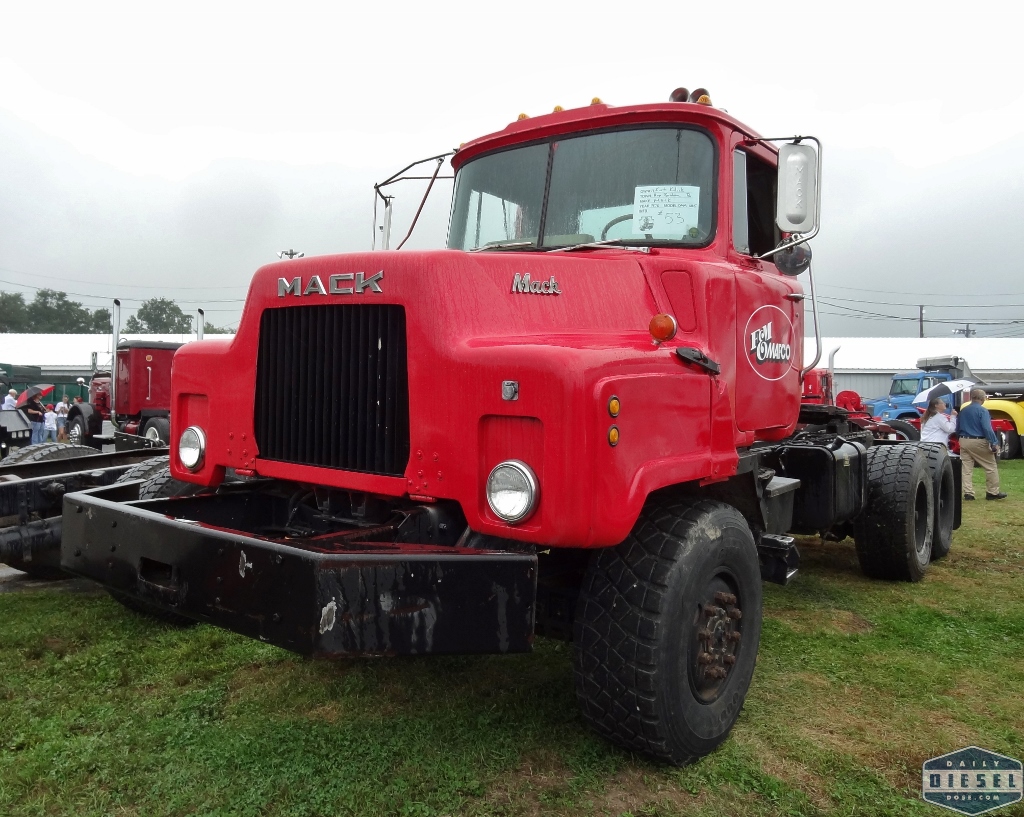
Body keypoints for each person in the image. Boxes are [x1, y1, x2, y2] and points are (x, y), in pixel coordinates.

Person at [957, 388, 1006, 500]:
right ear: (982, 398)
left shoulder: (963, 410)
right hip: (978, 440)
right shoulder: (982, 411)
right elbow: (987, 428)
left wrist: (959, 438)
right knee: (990, 466)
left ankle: (968, 493)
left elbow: (957, 427)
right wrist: (994, 442)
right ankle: (992, 492)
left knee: (966, 468)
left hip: (964, 440)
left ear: (972, 397)